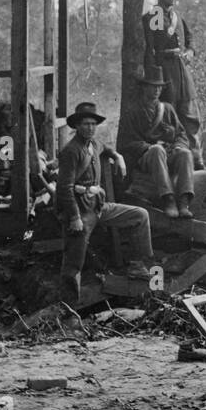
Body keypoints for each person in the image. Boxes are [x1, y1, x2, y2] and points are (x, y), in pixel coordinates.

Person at [56, 101, 155, 305]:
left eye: (93, 124)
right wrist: (74, 218)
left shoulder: (93, 144)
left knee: (140, 215)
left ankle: (137, 264)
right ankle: (69, 309)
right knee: (74, 263)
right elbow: (64, 188)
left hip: (99, 207)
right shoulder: (71, 151)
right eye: (85, 124)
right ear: (77, 126)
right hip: (81, 212)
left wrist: (117, 156)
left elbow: (105, 148)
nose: (90, 128)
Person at [117, 68, 195, 218]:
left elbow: (182, 134)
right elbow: (127, 142)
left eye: (159, 87)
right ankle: (168, 199)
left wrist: (179, 145)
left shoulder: (167, 109)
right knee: (157, 150)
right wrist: (149, 146)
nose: (156, 90)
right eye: (153, 86)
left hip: (169, 154)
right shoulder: (133, 111)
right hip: (147, 158)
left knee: (185, 153)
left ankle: (184, 201)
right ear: (144, 87)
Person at [143, 0, 203, 169]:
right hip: (164, 72)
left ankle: (196, 159)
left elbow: (190, 40)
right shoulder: (155, 16)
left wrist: (190, 52)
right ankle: (175, 162)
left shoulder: (178, 17)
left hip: (181, 71)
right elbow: (150, 48)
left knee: (190, 114)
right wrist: (156, 76)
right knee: (169, 116)